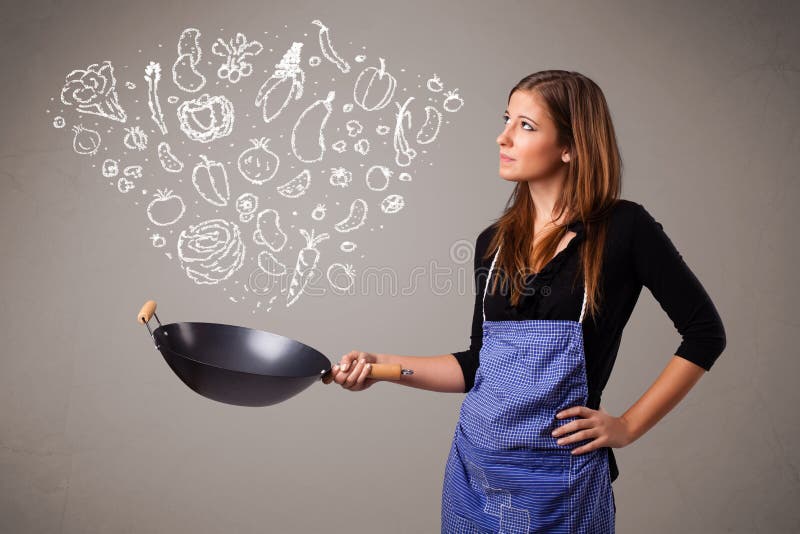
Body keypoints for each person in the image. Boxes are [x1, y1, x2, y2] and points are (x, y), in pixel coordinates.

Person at [329, 70, 726, 533]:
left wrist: (628, 425)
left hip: (561, 482)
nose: (503, 136)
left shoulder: (624, 229)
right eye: (507, 120)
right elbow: (480, 365)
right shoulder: (492, 243)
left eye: (526, 125)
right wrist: (381, 365)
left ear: (571, 146)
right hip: (475, 473)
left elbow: (705, 333)